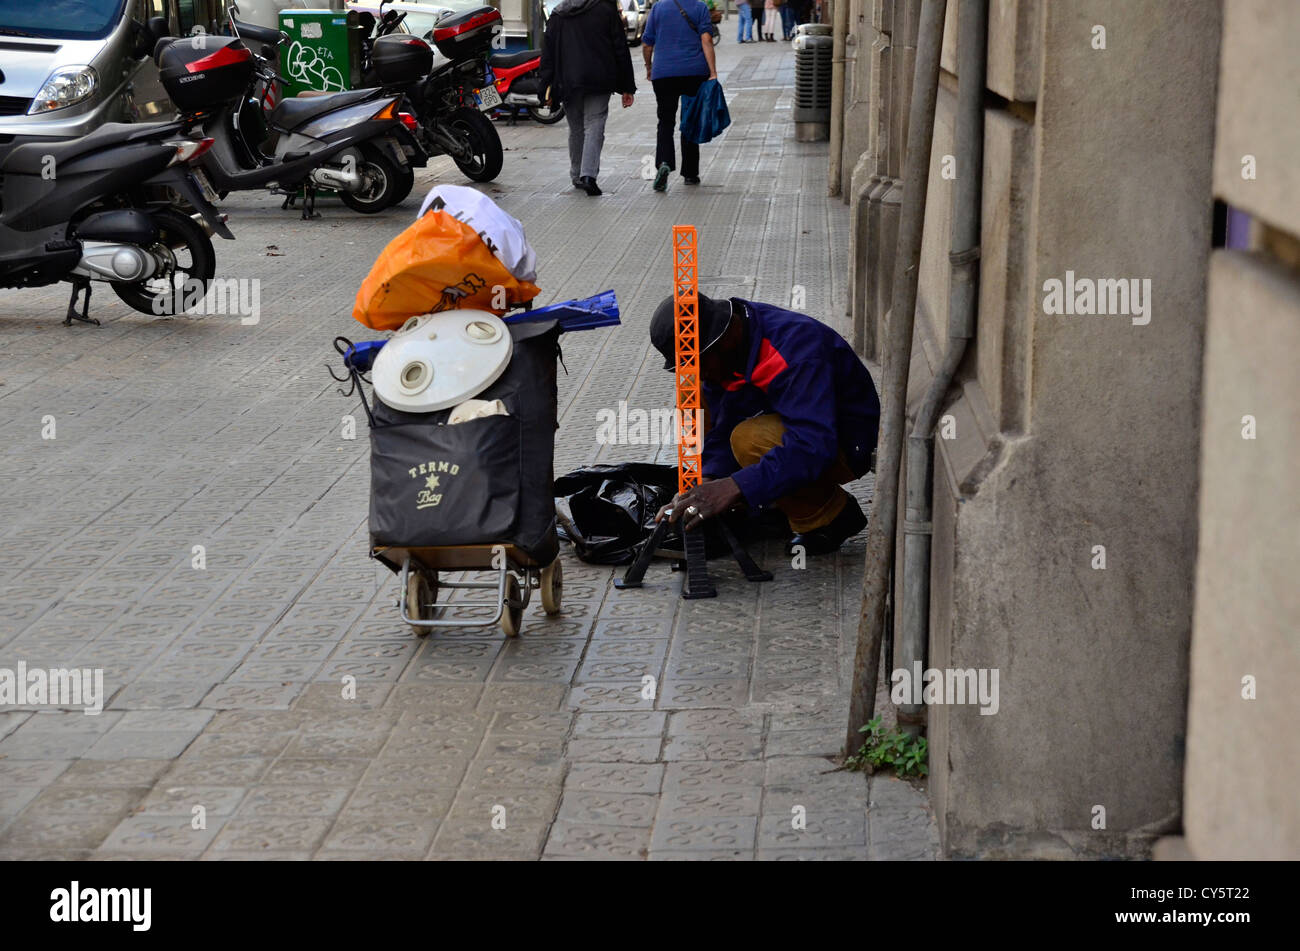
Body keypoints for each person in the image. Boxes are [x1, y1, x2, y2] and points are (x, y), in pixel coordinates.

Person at [650, 294, 881, 555]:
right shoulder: (730, 349)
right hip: (796, 422)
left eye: (698, 363)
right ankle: (771, 501)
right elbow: (723, 426)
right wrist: (706, 481)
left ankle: (829, 515)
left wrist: (734, 486)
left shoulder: (795, 352)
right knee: (694, 398)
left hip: (845, 443)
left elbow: (813, 446)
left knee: (748, 439)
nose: (699, 373)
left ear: (723, 341)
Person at [538, 0, 637, 197]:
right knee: (595, 124)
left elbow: (548, 55)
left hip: (569, 81)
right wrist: (627, 86)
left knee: (576, 128)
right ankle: (588, 176)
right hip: (599, 79)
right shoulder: (605, 10)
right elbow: (620, 48)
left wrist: (545, 86)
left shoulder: (558, 15)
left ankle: (576, 175)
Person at [641, 0, 717, 192]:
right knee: (690, 120)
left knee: (665, 121)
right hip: (694, 72)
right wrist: (713, 71)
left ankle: (664, 162)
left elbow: (647, 44)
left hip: (664, 73)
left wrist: (649, 67)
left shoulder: (658, 8)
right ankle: (690, 173)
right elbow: (706, 40)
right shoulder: (700, 7)